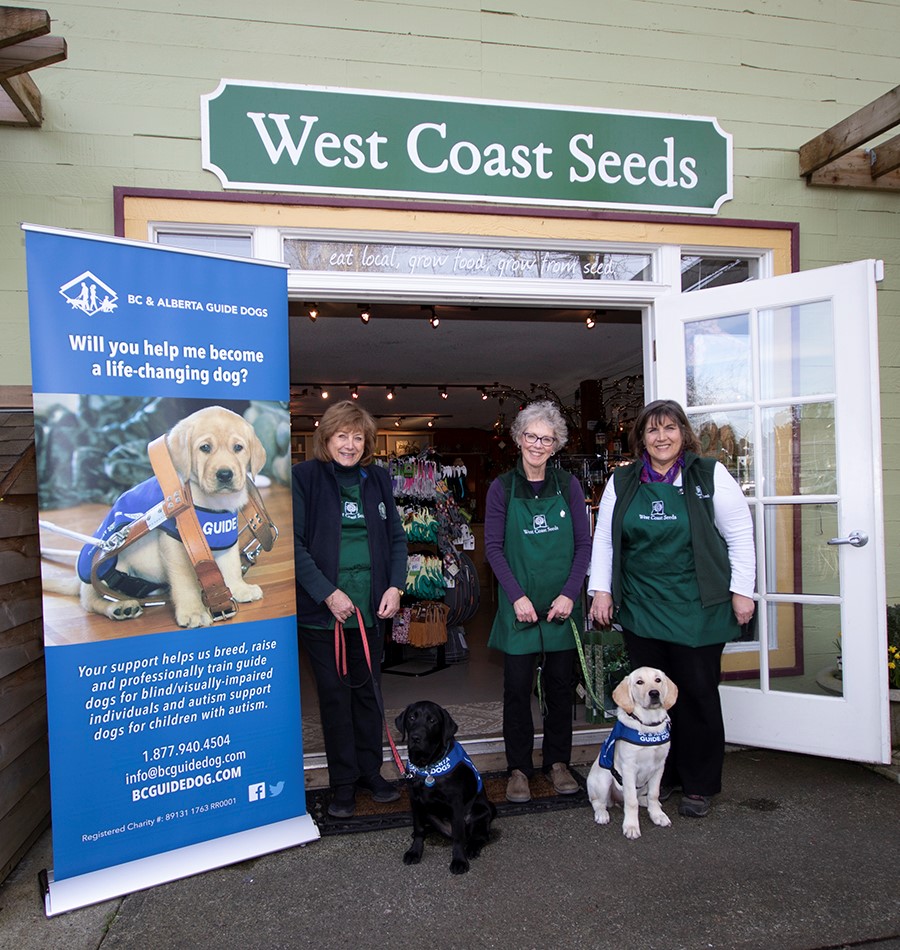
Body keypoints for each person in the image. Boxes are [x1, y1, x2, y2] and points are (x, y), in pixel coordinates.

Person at [588, 399, 756, 818]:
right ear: (640, 438)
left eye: (669, 429)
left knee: (697, 693)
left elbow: (739, 535)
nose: (661, 437)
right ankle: (666, 777)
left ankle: (698, 783)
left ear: (683, 433)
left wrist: (742, 591)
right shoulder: (622, 481)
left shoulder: (708, 474)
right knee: (652, 696)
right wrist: (600, 591)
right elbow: (606, 540)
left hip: (697, 606)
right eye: (652, 430)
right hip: (642, 606)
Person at [292, 401, 408, 818]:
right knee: (335, 698)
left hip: (369, 612)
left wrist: (395, 586)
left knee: (367, 694)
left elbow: (396, 538)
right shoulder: (304, 478)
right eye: (342, 435)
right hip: (324, 614)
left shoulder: (377, 479)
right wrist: (328, 593)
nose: (350, 444)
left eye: (358, 437)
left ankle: (370, 772)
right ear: (326, 438)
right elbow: (294, 546)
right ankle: (342, 783)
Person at [485, 400, 592, 803]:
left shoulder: (569, 486)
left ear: (555, 446)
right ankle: (518, 768)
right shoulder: (502, 488)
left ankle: (558, 762)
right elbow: (493, 548)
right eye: (531, 436)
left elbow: (584, 545)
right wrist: (517, 597)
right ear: (518, 439)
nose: (537, 444)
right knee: (516, 689)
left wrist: (569, 594)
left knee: (560, 688)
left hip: (561, 609)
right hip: (520, 610)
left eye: (546, 439)